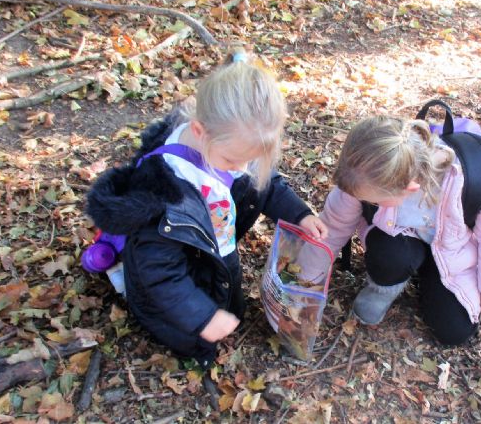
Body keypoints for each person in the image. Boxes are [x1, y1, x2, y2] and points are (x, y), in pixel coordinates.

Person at [85, 51, 327, 367]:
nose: (242, 168)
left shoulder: (231, 145)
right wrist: (202, 318)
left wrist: (299, 214)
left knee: (228, 305)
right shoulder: (165, 195)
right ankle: (195, 340)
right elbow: (158, 272)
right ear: (200, 132)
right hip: (166, 289)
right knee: (192, 337)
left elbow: (265, 184)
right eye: (232, 161)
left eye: (249, 160)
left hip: (210, 251)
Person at [319, 116, 481, 346]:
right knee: (388, 257)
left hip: (453, 250)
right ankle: (384, 288)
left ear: (408, 190)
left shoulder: (474, 180)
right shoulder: (365, 171)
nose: (362, 202)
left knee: (455, 332)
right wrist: (307, 278)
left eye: (371, 201)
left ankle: (431, 277)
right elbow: (334, 226)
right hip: (399, 241)